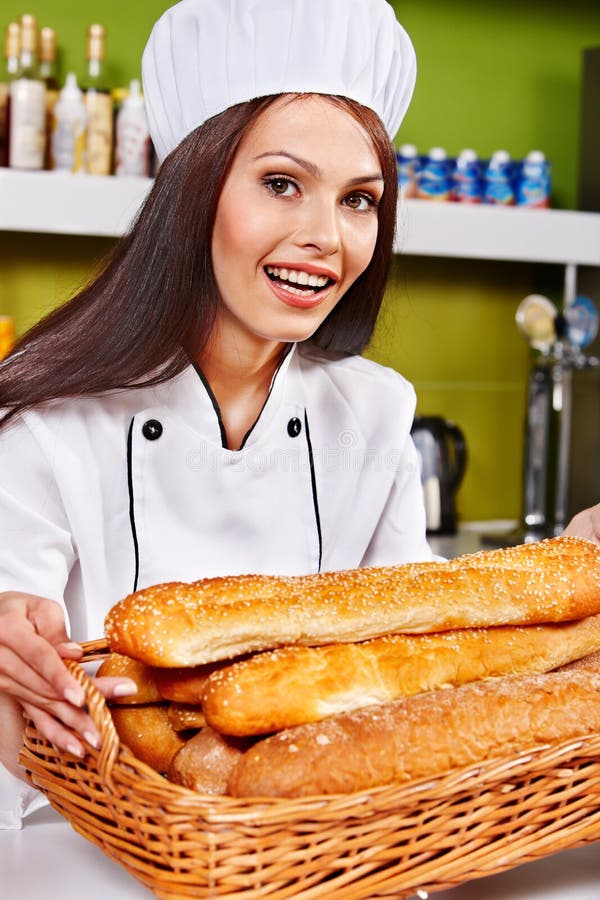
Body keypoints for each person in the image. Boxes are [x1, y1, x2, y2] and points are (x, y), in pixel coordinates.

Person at [0, 0, 598, 830]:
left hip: (325, 847)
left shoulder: (374, 412)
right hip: (81, 854)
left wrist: (570, 568)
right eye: (282, 184)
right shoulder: (50, 430)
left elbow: (417, 662)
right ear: (196, 190)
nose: (327, 236)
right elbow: (21, 721)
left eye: (360, 199)